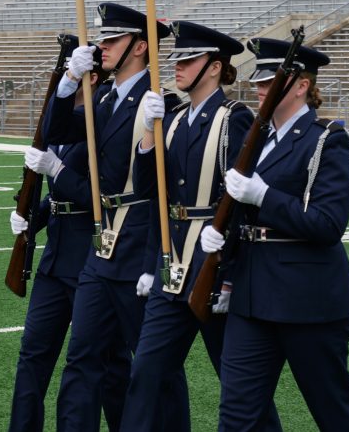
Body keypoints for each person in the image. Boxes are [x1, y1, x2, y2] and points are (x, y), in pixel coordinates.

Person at [120, 22, 282, 432]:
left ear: (214, 67)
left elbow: (242, 203)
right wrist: (146, 139)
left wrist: (227, 275)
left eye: (189, 60)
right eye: (178, 58)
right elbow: (148, 191)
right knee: (146, 374)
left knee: (240, 386)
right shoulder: (171, 118)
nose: (178, 67)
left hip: (213, 266)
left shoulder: (234, 119)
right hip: (172, 266)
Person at [203, 37, 349, 432]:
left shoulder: (327, 139)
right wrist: (224, 258)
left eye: (269, 81)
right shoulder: (255, 140)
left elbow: (327, 224)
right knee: (238, 415)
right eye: (257, 82)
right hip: (252, 294)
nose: (259, 89)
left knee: (333, 413)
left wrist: (264, 195)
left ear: (301, 85)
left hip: (308, 297)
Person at [43, 3, 187, 432]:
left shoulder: (159, 102)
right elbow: (54, 130)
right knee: (82, 358)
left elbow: (159, 189)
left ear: (140, 47)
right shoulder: (104, 95)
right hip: (101, 246)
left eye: (112, 40)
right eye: (101, 39)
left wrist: (151, 263)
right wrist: (69, 81)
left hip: (139, 244)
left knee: (154, 364)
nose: (101, 47)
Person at [9, 45, 131, 431]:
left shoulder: (103, 122)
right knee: (33, 355)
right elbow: (57, 194)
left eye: (74, 73)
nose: (69, 77)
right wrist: (31, 217)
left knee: (105, 361)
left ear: (92, 77)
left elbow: (101, 196)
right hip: (55, 257)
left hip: (89, 255)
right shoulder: (61, 121)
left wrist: (57, 169)